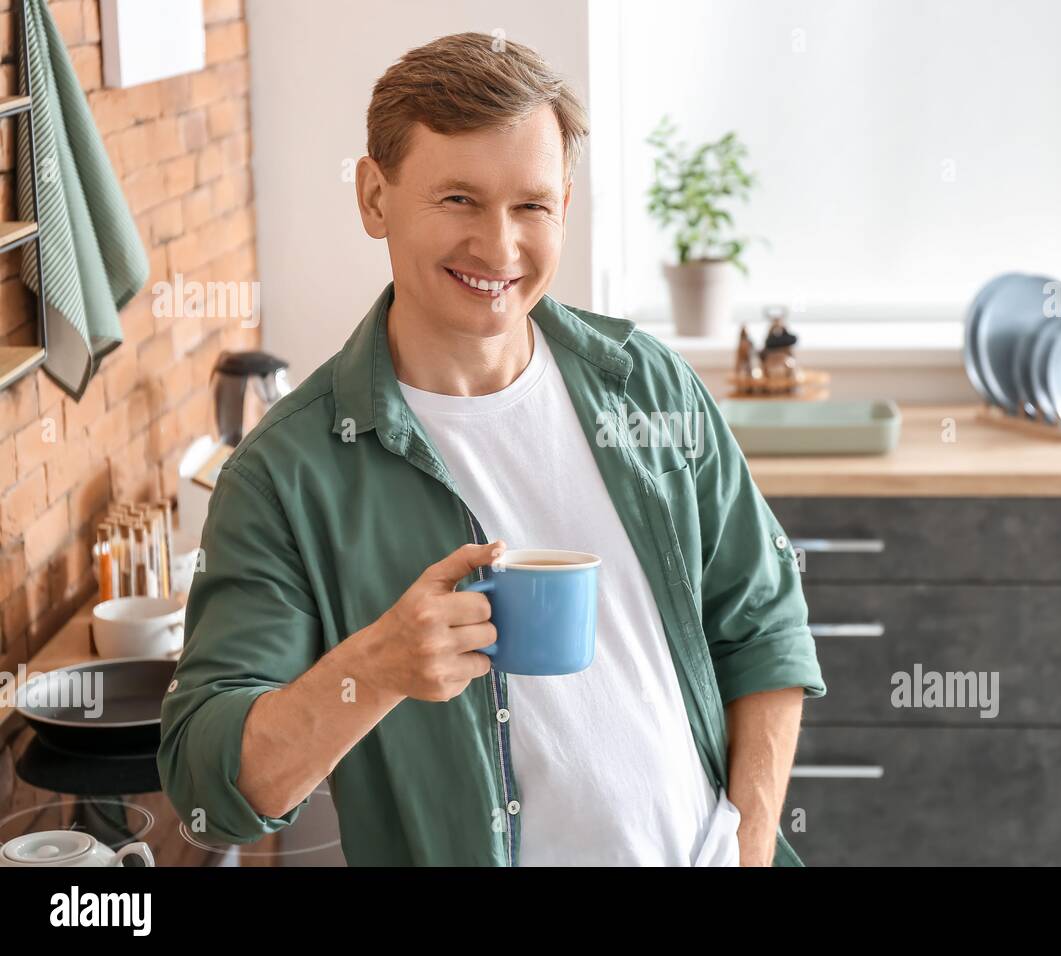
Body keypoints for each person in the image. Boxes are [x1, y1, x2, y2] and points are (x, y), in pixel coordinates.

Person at [157, 32, 824, 866]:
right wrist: (378, 665)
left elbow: (763, 623)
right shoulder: (286, 475)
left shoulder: (647, 386)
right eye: (459, 200)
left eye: (531, 206)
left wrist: (752, 846)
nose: (500, 248)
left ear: (566, 206)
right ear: (373, 196)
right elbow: (205, 787)